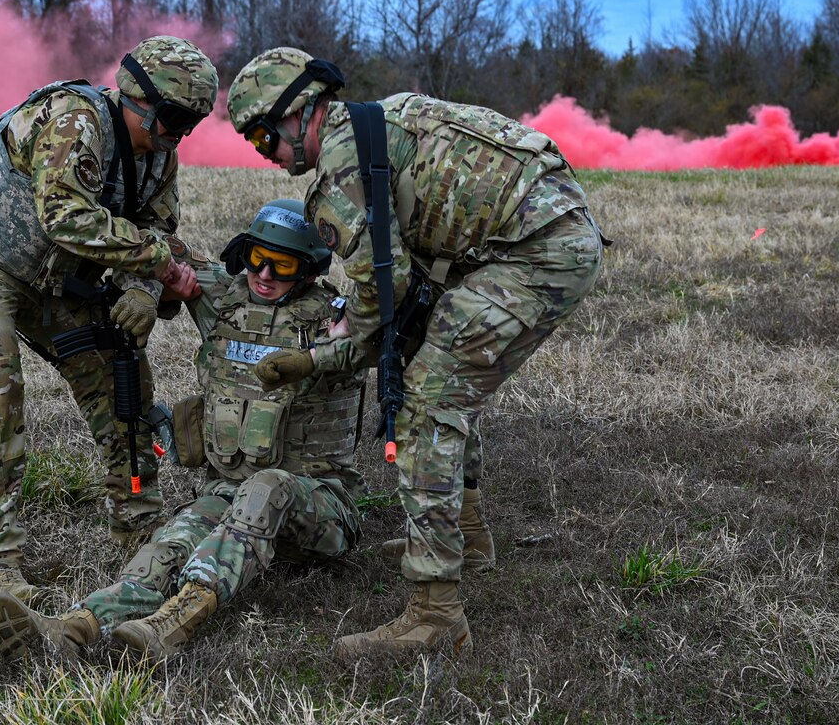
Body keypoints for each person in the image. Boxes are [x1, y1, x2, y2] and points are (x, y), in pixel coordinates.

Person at [226, 47, 607, 660]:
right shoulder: (381, 119)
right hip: (543, 237)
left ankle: (435, 614)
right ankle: (469, 536)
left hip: (534, 255)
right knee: (437, 368)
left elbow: (384, 293)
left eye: (265, 136)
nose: (265, 153)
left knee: (426, 405)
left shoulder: (340, 170)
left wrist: (323, 355)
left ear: (300, 114)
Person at [0, 200, 368, 660]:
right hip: (229, 497)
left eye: (281, 265)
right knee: (169, 545)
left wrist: (314, 357)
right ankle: (72, 628)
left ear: (308, 269)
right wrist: (155, 285)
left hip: (318, 509)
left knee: (268, 485)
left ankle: (176, 620)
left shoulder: (335, 320)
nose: (263, 275)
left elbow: (378, 332)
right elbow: (159, 250)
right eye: (255, 259)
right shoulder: (227, 300)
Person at [0, 35, 218, 607]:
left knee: (122, 381)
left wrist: (141, 288)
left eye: (192, 123)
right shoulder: (76, 119)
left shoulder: (159, 158)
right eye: (174, 118)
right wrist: (156, 266)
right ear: (139, 96)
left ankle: (141, 536)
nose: (178, 134)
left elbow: (158, 231)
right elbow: (67, 217)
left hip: (55, 280)